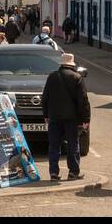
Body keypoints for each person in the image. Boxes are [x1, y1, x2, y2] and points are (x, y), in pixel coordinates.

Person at [41, 53, 90, 181]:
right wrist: (86, 119)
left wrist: (46, 114)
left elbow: (45, 97)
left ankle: (53, 173)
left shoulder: (52, 77)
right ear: (72, 64)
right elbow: (83, 100)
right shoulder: (76, 77)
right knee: (73, 144)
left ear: (61, 64)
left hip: (54, 117)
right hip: (71, 118)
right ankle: (73, 172)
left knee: (54, 146)